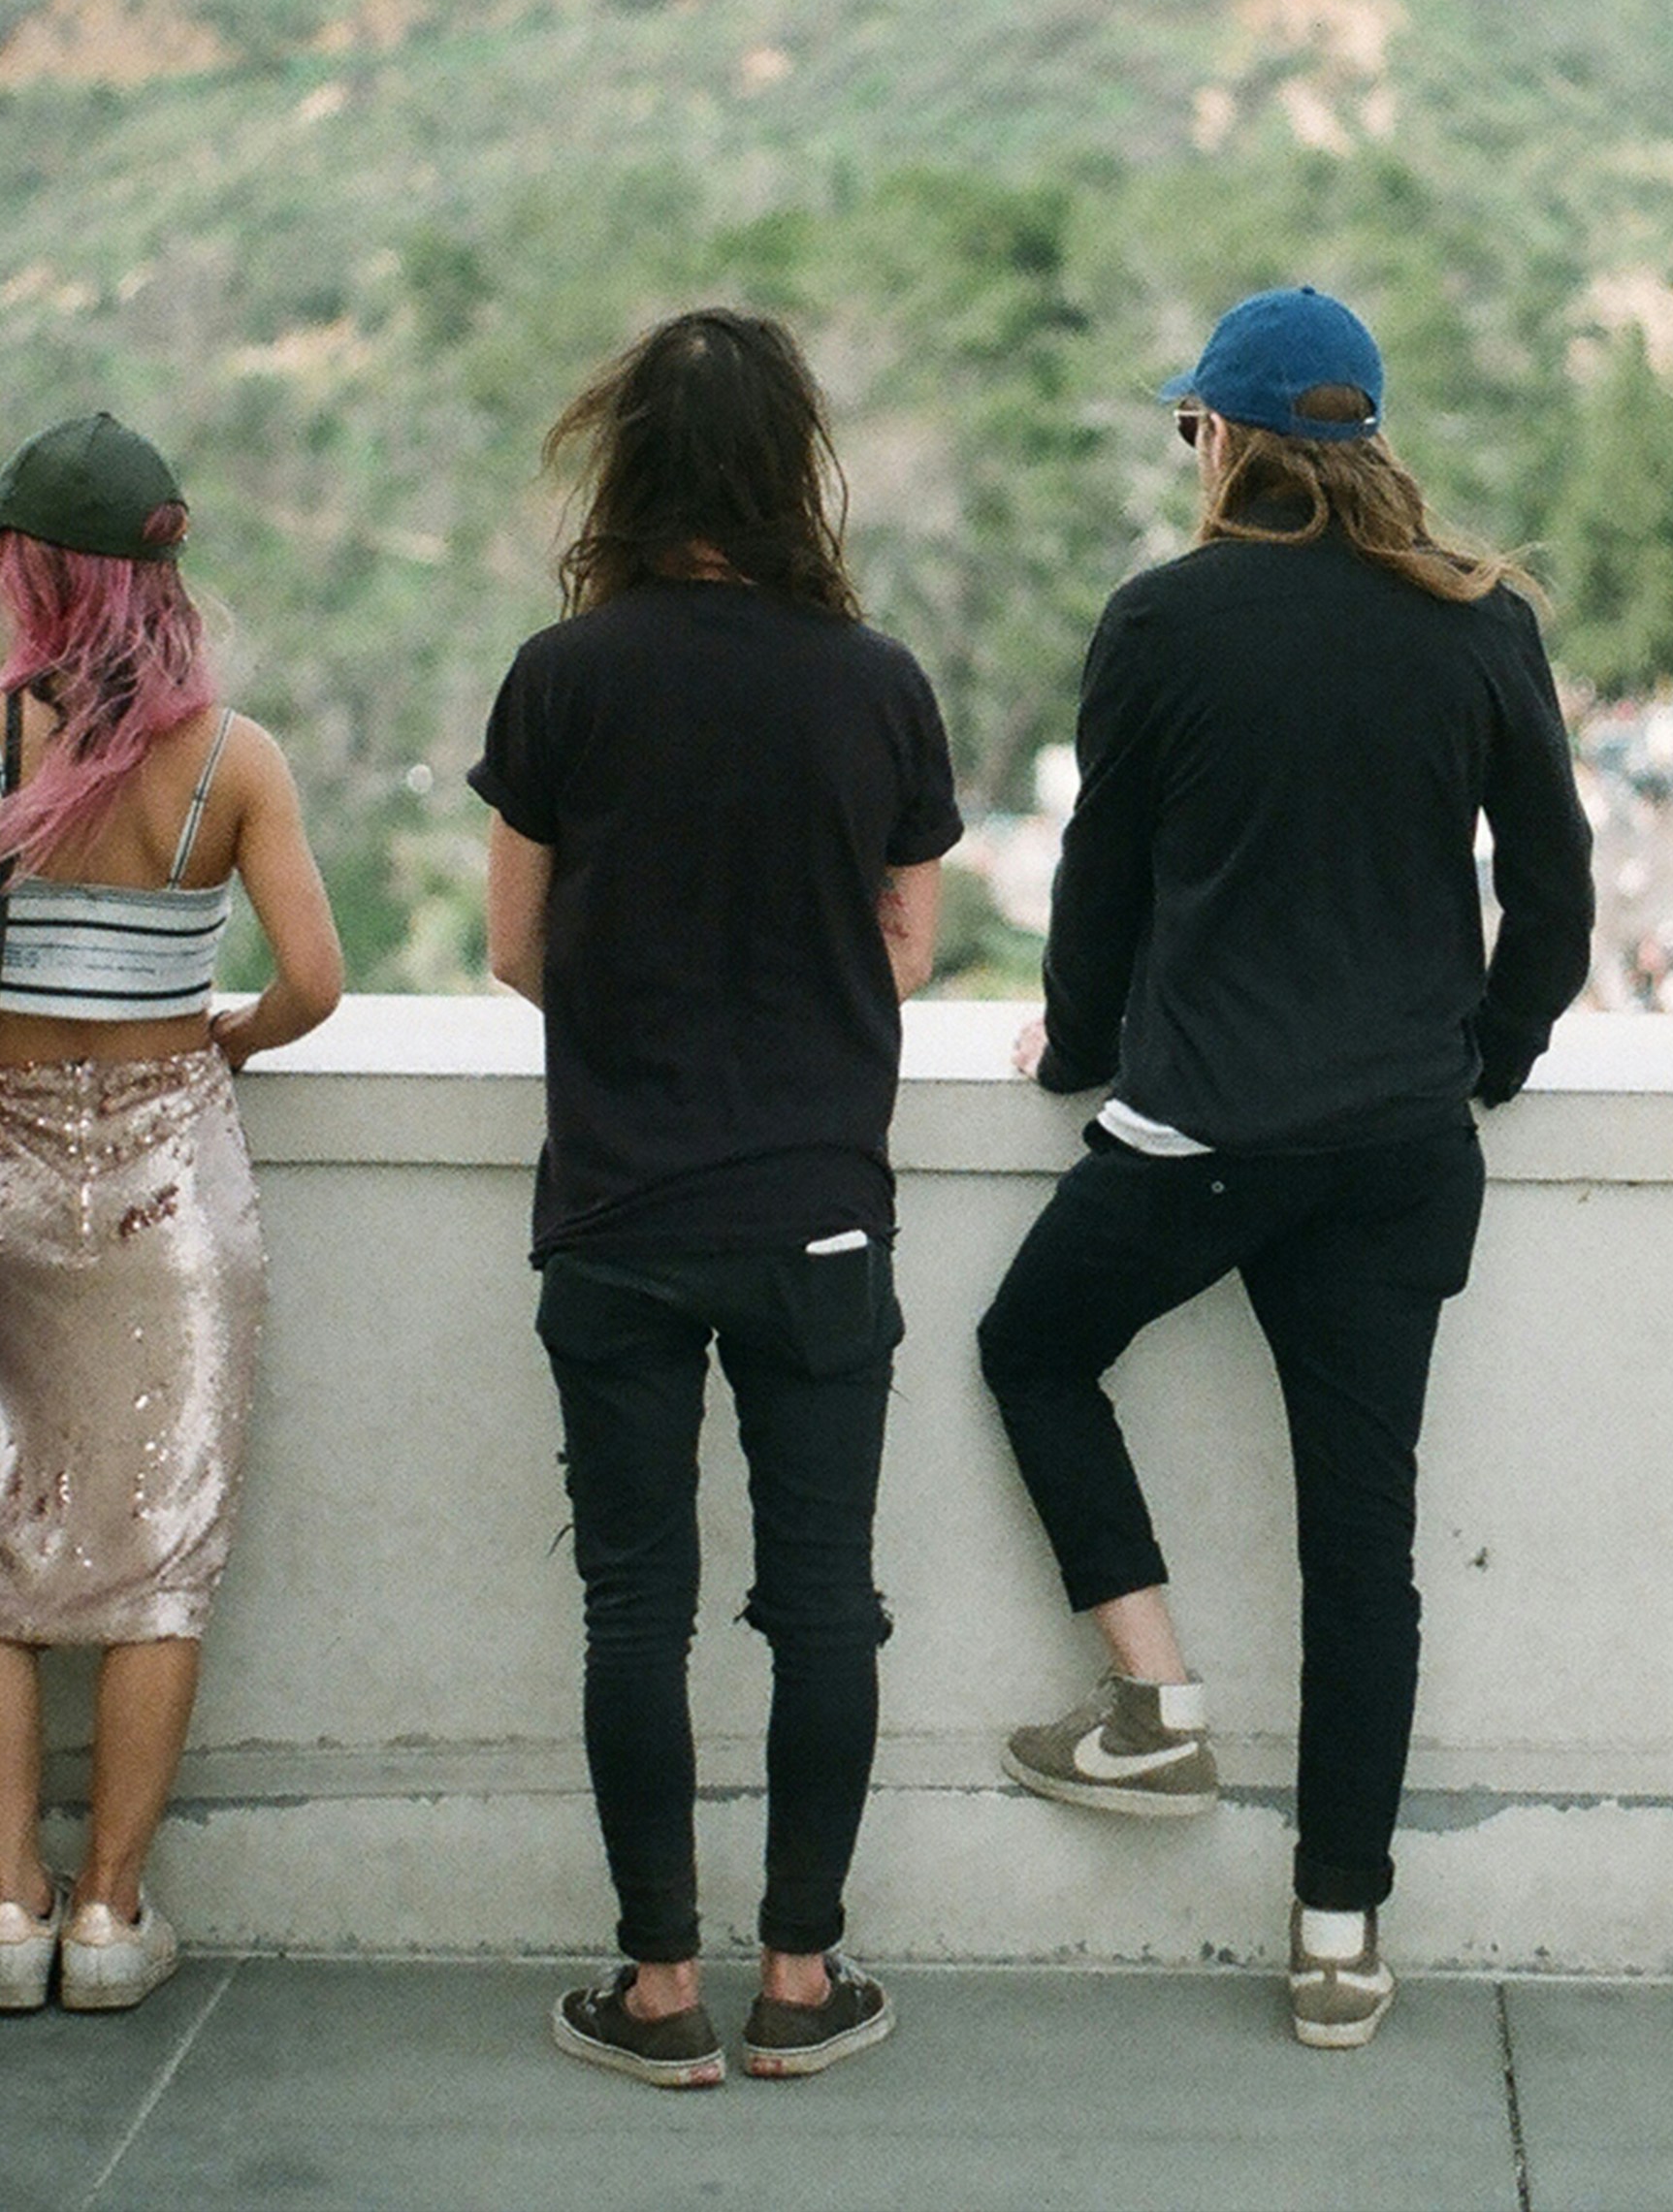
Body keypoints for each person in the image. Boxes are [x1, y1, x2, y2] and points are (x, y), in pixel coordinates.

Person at [976, 286, 1594, 2051]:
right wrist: (1489, 1057)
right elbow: (1554, 899)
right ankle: (1338, 1935)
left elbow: (1099, 891)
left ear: (1224, 440)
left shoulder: (1164, 620)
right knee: (1363, 1544)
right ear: (1371, 441)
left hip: (1206, 1140)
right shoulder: (1482, 624)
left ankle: (1154, 1700)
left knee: (1030, 1347)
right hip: (1400, 1148)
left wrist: (1075, 1048)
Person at [471, 308, 958, 2089]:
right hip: (820, 1214)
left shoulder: (561, 676)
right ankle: (802, 1979)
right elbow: (904, 948)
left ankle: (658, 1989)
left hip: (618, 1213)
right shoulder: (877, 681)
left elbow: (518, 951)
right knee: (825, 1598)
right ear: (790, 470)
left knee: (634, 1605)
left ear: (627, 468)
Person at [0, 409, 343, 2015]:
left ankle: (5, 1915)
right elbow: (312, 986)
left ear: (27, 575)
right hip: (173, 1179)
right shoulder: (233, 760)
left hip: (10, 1169)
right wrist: (222, 1033)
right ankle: (113, 1917)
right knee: (161, 1564)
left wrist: (1, 1034)